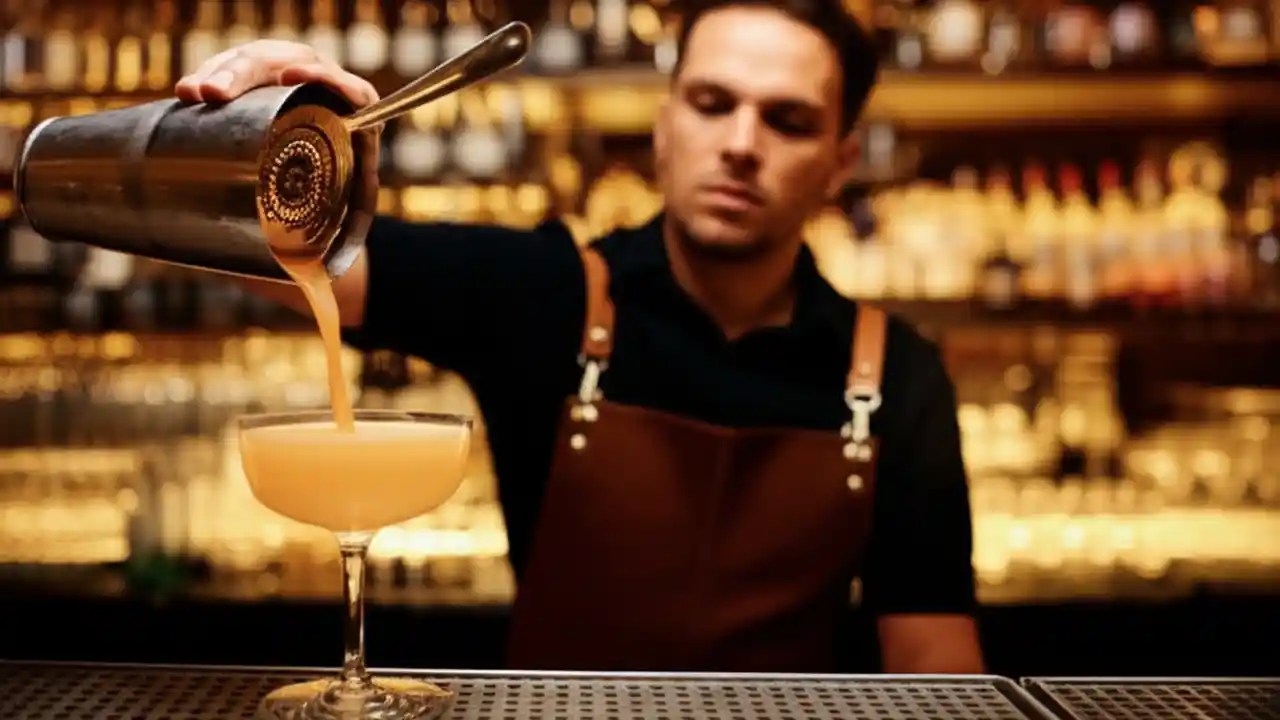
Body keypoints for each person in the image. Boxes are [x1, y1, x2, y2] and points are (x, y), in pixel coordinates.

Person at [175, 0, 985, 674]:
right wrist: (247, 135)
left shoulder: (896, 373)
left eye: (789, 120)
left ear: (841, 162)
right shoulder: (546, 293)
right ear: (665, 126)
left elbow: (934, 657)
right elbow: (291, 260)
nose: (742, 144)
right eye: (712, 104)